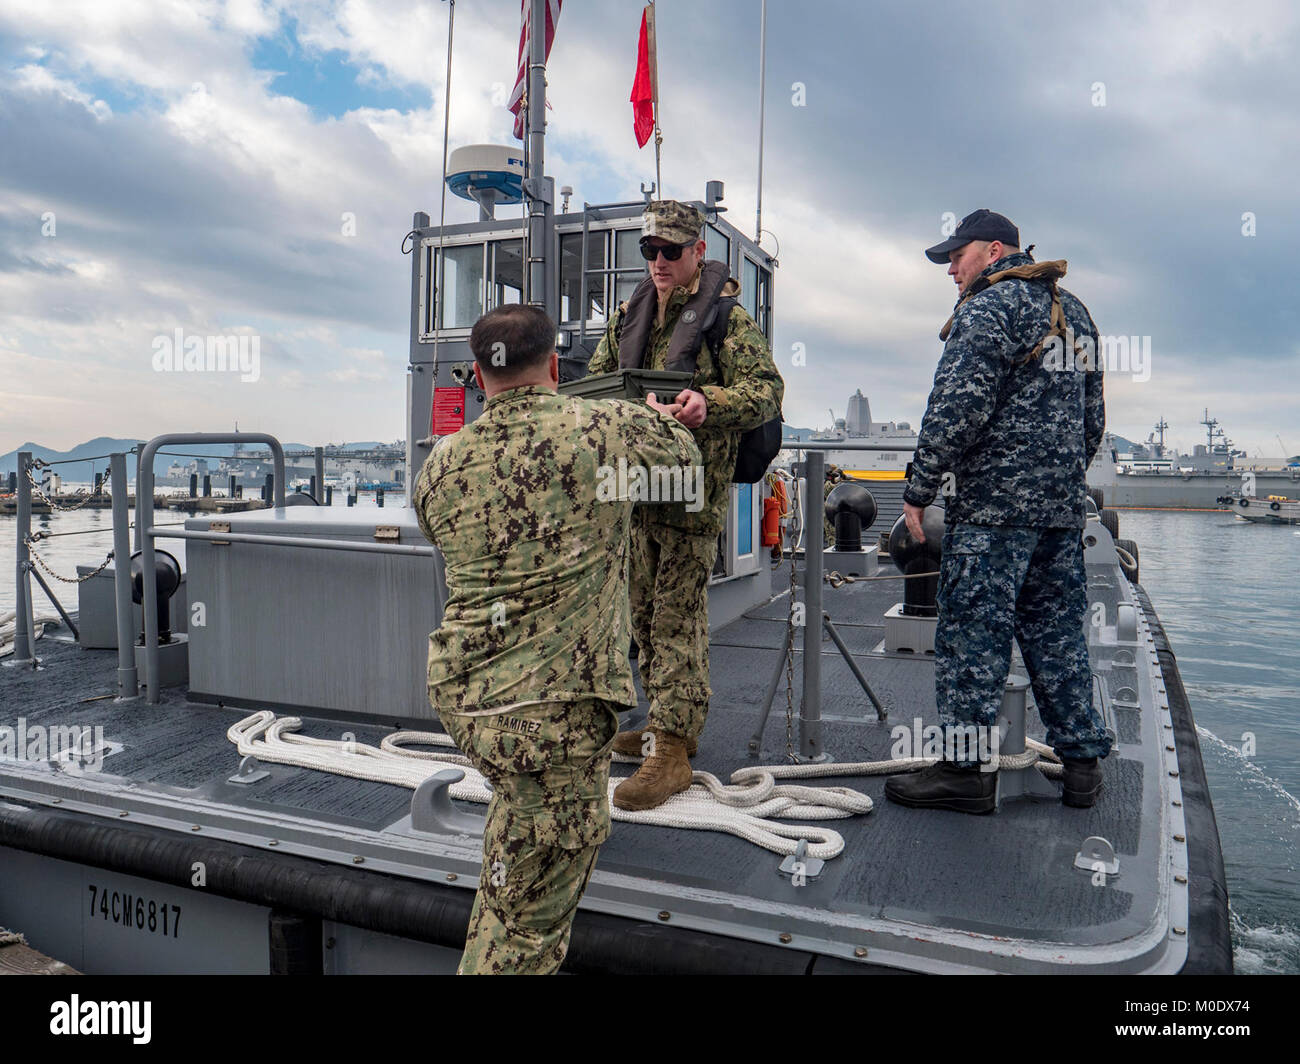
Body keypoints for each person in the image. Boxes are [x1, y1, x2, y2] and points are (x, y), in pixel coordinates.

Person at [413, 303, 700, 973]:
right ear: (554, 366)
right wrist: (664, 419)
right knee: (525, 937)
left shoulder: (440, 466)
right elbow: (683, 474)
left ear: (481, 377)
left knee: (518, 846)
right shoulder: (605, 428)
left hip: (467, 698)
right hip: (555, 713)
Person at [886, 209, 1113, 814]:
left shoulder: (990, 308)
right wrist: (1057, 483)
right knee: (1059, 636)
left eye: (955, 258)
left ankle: (965, 774)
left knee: (972, 639)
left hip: (991, 515)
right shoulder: (1077, 314)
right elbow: (1093, 421)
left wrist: (919, 487)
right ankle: (1083, 765)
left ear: (991, 250)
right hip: (1059, 515)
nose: (951, 272)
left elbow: (956, 407)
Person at [586, 199, 784, 811]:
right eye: (650, 251)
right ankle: (659, 718)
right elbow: (596, 379)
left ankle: (672, 747)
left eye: (671, 251)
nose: (659, 262)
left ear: (698, 251)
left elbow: (767, 390)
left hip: (690, 495)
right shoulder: (628, 316)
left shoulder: (727, 317)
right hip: (634, 492)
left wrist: (707, 405)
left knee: (675, 618)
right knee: (641, 613)